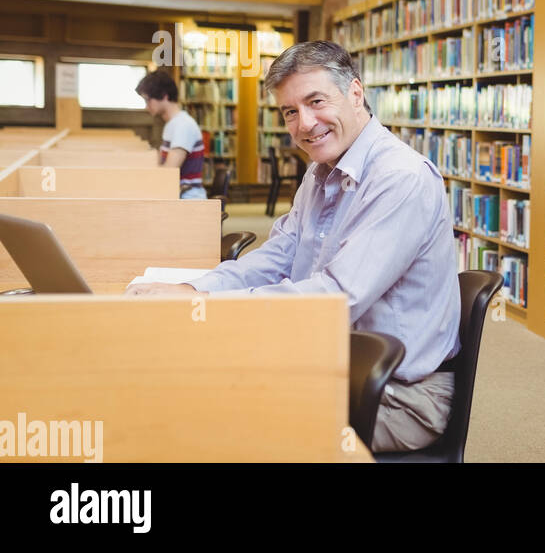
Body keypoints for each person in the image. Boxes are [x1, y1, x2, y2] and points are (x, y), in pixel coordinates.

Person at [126, 41, 462, 453]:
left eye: (316, 101)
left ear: (355, 93)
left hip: (395, 394)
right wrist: (194, 291)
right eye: (290, 111)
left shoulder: (400, 178)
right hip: (332, 360)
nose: (305, 124)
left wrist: (210, 303)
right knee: (185, 371)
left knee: (206, 406)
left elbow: (336, 297)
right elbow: (275, 258)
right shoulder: (321, 172)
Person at [136, 70, 207, 200]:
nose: (146, 107)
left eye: (148, 100)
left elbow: (169, 172)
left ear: (164, 96)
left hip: (187, 198)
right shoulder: (172, 124)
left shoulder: (183, 125)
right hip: (177, 194)